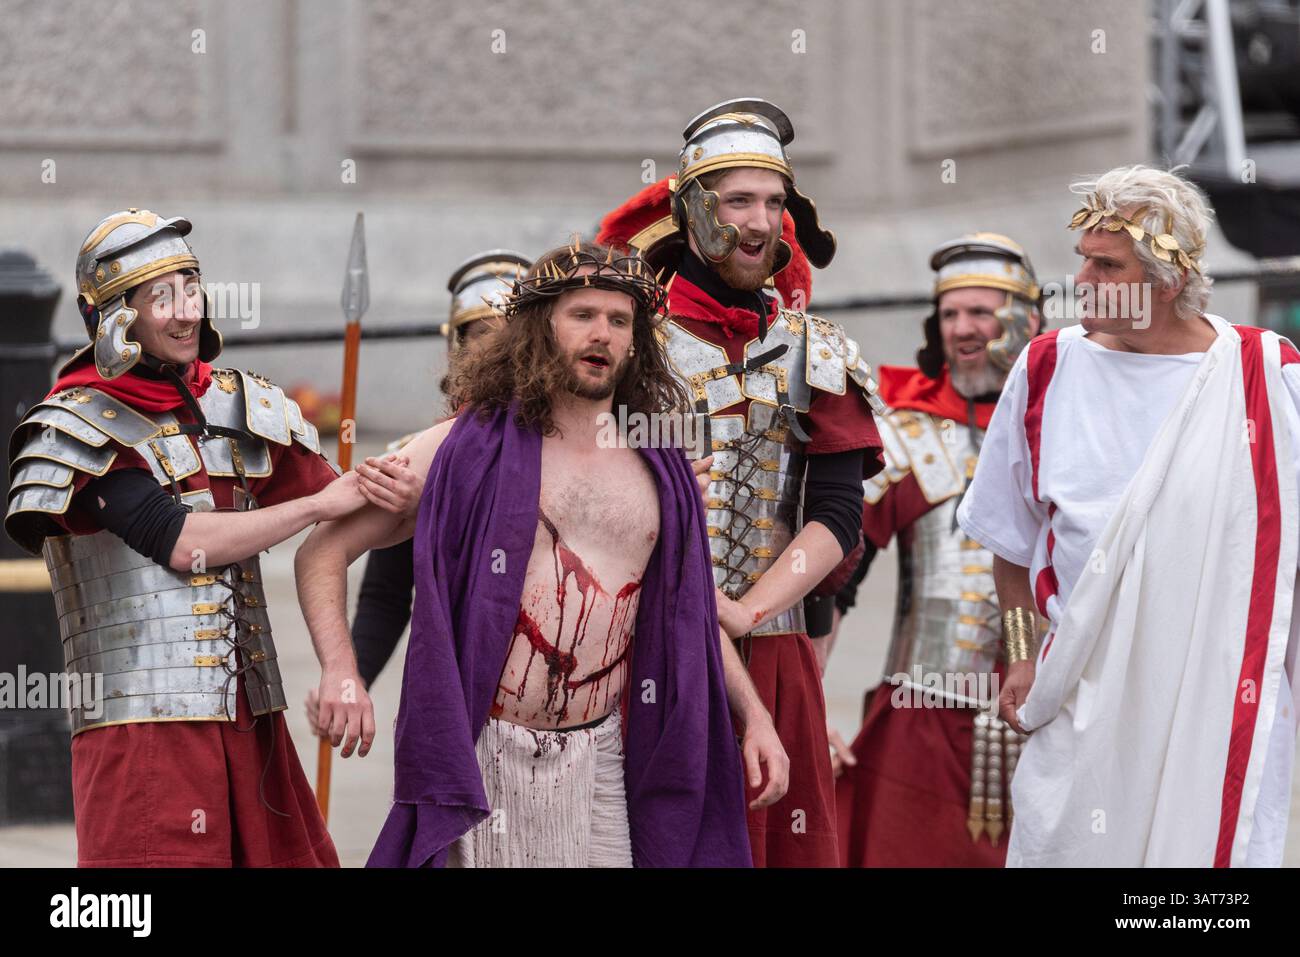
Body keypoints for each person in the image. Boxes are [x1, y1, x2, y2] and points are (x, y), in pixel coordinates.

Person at [295, 241, 784, 867]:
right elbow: (323, 549)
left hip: (606, 757)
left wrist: (757, 719)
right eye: (582, 315)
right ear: (540, 327)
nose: (601, 334)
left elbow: (686, 612)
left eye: (619, 320)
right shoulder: (458, 449)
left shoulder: (662, 467)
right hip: (488, 759)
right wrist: (342, 670)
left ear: (637, 340)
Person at [957, 165, 1300, 866]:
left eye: (1105, 265)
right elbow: (1009, 540)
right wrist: (1021, 654)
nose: (1079, 279)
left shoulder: (1266, 377)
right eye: (1081, 258)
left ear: (1167, 281)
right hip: (1082, 698)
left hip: (1216, 705)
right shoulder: (1047, 368)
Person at [4, 209, 368, 867]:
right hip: (143, 733)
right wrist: (316, 503)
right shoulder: (72, 427)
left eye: (191, 288)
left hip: (252, 723)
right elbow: (177, 540)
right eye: (162, 296)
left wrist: (458, 453)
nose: (186, 312)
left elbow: (361, 502)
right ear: (116, 318)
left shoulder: (237, 406)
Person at [598, 98, 886, 867]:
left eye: (773, 201)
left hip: (773, 648)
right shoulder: (626, 345)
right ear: (693, 206)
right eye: (738, 200)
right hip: (638, 649)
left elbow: (837, 514)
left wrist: (745, 609)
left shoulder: (813, 350)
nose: (760, 222)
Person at [825, 233, 1044, 866]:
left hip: (1052, 704)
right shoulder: (905, 432)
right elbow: (838, 577)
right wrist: (811, 702)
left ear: (1029, 317)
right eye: (950, 314)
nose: (963, 329)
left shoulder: (1068, 424)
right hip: (922, 709)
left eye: (981, 311)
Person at [304, 250, 531, 728]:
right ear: (455, 348)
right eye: (481, 337)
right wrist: (352, 680)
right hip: (464, 693)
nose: (496, 355)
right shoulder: (413, 455)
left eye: (511, 339)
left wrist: (432, 501)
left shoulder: (580, 439)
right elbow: (387, 595)